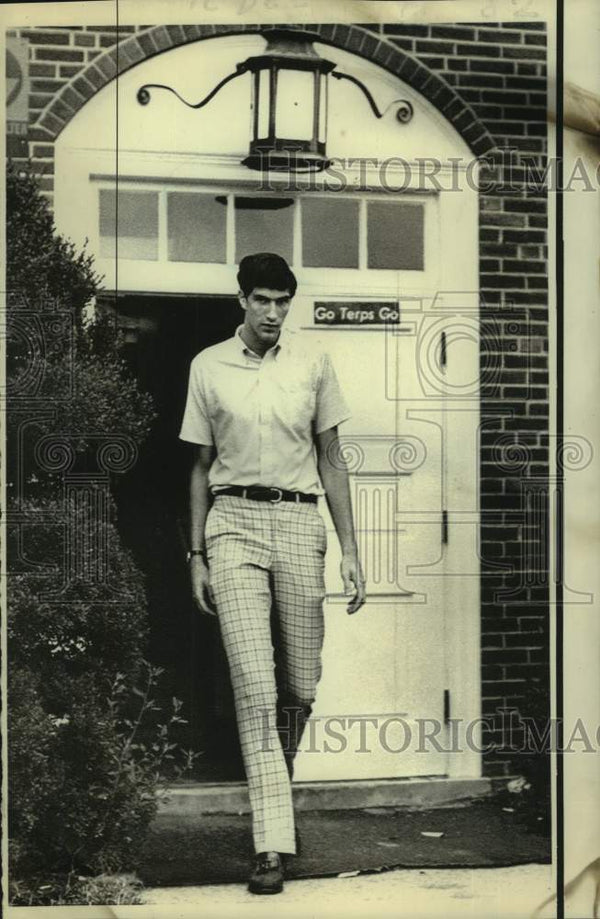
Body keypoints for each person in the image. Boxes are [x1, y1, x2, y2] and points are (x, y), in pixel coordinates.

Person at [179, 252, 366, 895]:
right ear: (241, 300)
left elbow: (333, 458)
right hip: (231, 524)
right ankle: (271, 843)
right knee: (256, 685)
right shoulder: (208, 366)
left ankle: (272, 788)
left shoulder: (312, 365)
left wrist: (351, 549)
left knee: (302, 681)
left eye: (284, 301)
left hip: (298, 522)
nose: (273, 313)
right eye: (262, 300)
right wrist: (197, 554)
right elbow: (200, 468)